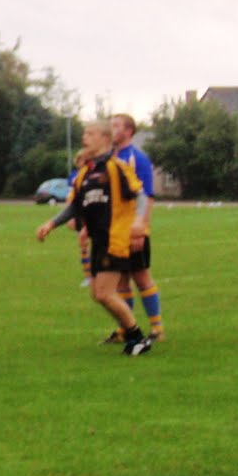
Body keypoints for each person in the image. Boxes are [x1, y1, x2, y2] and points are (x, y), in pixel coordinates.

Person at [35, 122, 154, 356]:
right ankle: (134, 337)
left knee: (103, 293)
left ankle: (137, 337)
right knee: (99, 294)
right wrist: (51, 224)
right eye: (84, 133)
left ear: (105, 139)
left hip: (116, 239)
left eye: (90, 133)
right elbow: (73, 208)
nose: (84, 137)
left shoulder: (116, 168)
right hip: (98, 242)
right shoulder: (84, 174)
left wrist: (140, 221)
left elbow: (140, 196)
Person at [109, 113, 164, 343]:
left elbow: (147, 196)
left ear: (129, 131)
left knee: (141, 277)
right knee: (121, 280)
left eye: (116, 126)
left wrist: (140, 227)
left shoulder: (136, 158)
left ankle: (157, 329)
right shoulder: (110, 158)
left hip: (133, 230)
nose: (111, 130)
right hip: (115, 231)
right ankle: (125, 329)